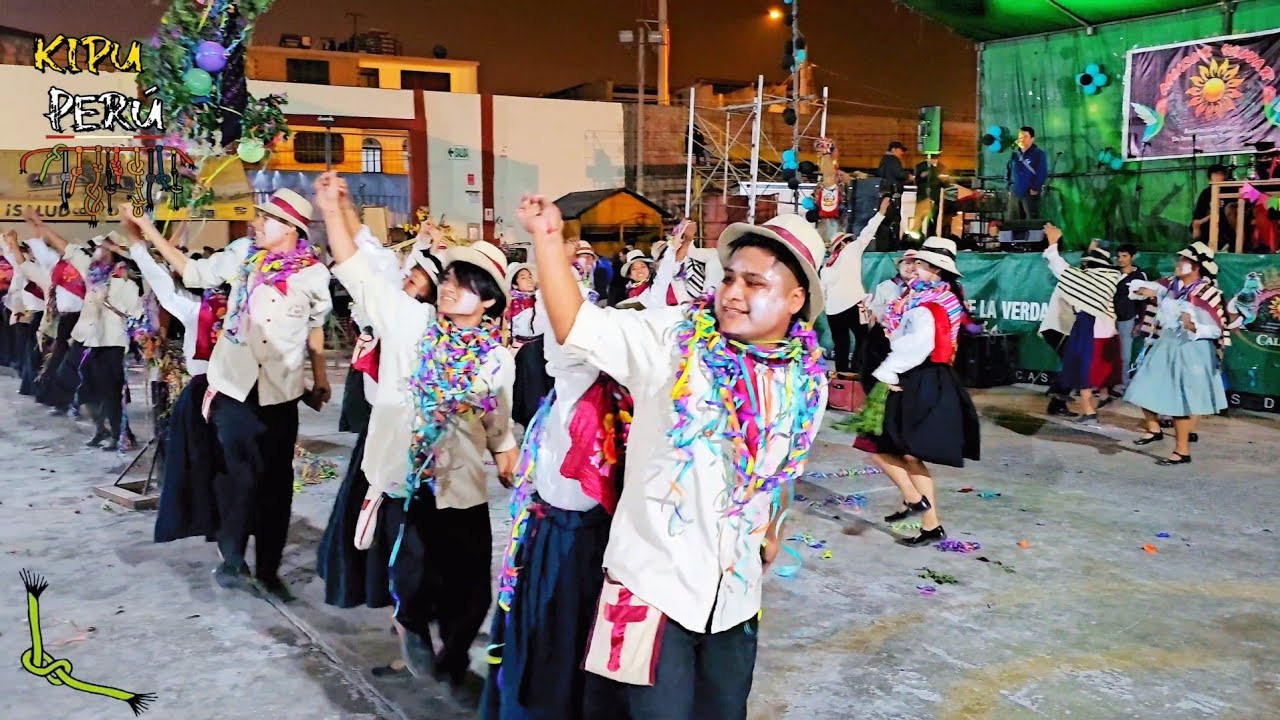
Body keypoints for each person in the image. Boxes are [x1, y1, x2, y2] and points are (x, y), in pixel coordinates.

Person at [528, 200, 829, 719]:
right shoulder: (672, 341)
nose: (733, 293)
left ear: (795, 298)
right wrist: (548, 242)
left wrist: (774, 526)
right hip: (650, 587)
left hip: (734, 599)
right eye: (729, 278)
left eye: (754, 284)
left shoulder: (808, 382)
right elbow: (576, 325)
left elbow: (784, 472)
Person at [319, 173, 518, 689]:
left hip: (461, 489)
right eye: (449, 277)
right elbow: (357, 271)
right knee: (410, 584)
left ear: (490, 300)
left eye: (466, 282)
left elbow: (496, 417)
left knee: (470, 592)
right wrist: (333, 210)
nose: (450, 286)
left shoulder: (497, 360)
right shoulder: (412, 325)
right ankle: (419, 655)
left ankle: (452, 662)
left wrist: (505, 452)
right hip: (405, 486)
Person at [127, 188, 333, 598]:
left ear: (291, 228)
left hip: (281, 394)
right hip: (234, 389)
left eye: (266, 219)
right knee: (238, 479)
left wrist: (320, 377)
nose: (256, 224)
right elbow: (191, 272)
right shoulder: (242, 255)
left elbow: (314, 328)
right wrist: (148, 229)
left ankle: (270, 571)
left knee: (276, 485)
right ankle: (233, 560)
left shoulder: (314, 275)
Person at [483, 202, 625, 720]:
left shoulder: (654, 399)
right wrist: (548, 247)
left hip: (616, 548)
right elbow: (566, 331)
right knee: (549, 653)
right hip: (561, 535)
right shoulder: (576, 379)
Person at [315, 184, 441, 623]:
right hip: (387, 435)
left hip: (430, 452)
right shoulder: (397, 308)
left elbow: (362, 257)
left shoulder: (421, 319)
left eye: (417, 276)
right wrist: (338, 208)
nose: (406, 277)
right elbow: (357, 259)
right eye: (409, 272)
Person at [857, 237, 980, 546]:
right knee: (908, 455)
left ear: (936, 271)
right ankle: (929, 523)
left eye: (921, 265)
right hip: (928, 377)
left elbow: (914, 346)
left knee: (877, 444)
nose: (913, 269)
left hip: (917, 377)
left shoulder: (929, 304)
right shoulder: (931, 297)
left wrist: (886, 371)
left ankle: (914, 500)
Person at [1124, 242, 1228, 465]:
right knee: (1143, 385)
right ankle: (1155, 429)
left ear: (1197, 266)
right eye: (1180, 259)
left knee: (1181, 400)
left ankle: (1182, 450)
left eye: (1185, 261)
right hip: (1167, 344)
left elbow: (1217, 329)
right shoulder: (1171, 285)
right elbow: (1145, 290)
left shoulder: (1208, 293)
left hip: (1192, 349)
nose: (1179, 264)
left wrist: (1193, 327)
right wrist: (1145, 291)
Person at [1040, 225, 1123, 424]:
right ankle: (1085, 409)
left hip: (1092, 330)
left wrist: (1053, 244)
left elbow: (1062, 270)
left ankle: (1084, 409)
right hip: (1090, 330)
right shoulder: (1110, 278)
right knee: (1084, 371)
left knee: (1084, 371)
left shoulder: (1094, 280)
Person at [73, 238, 144, 450]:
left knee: (112, 394)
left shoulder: (127, 284)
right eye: (97, 247)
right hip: (91, 340)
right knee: (85, 391)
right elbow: (68, 251)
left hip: (113, 343)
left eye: (103, 247)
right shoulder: (93, 278)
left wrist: (109, 302)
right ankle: (101, 429)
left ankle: (120, 435)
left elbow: (135, 314)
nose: (97, 251)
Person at [21, 209, 89, 416]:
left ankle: (78, 400)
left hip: (84, 321)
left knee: (77, 363)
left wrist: (40, 222)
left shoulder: (87, 269)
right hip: (66, 320)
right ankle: (60, 401)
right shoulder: (56, 266)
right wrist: (36, 224)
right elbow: (39, 245)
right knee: (59, 360)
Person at [821, 196, 890, 375]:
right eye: (849, 240)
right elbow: (867, 234)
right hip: (853, 303)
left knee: (841, 343)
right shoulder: (851, 250)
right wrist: (881, 214)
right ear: (843, 244)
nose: (852, 242)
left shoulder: (827, 265)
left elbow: (823, 290)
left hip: (832, 310)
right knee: (862, 337)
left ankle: (842, 374)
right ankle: (859, 371)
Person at [860, 250, 917, 392]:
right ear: (899, 265)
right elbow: (875, 316)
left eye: (916, 263)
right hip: (886, 338)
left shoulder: (924, 290)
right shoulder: (885, 287)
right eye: (907, 262)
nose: (911, 267)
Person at [1113, 244, 1149, 392]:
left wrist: (1140, 322)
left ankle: (1123, 384)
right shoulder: (1112, 273)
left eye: (1124, 256)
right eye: (1119, 256)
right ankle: (1104, 384)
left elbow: (1144, 302)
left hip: (1127, 319)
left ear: (1133, 257)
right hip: (1107, 318)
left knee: (1125, 354)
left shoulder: (1140, 276)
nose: (1120, 259)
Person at [1006, 126, 1048, 220]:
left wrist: (1035, 187)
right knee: (1013, 221)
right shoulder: (1015, 155)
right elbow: (1009, 170)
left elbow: (1042, 171)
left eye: (1025, 136)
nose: (1022, 139)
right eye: (1020, 137)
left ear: (1032, 139)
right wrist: (1009, 186)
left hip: (1030, 192)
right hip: (1015, 191)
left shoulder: (1038, 154)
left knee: (1031, 220)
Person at [876, 141, 912, 247]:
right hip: (893, 194)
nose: (902, 153)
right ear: (894, 149)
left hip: (884, 194)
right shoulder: (893, 160)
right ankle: (893, 244)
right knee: (893, 219)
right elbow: (898, 174)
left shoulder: (884, 160)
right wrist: (908, 176)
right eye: (901, 150)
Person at [908, 154, 948, 240]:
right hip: (923, 196)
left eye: (936, 158)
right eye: (933, 158)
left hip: (934, 197)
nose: (935, 160)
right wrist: (921, 176)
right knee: (919, 217)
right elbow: (916, 181)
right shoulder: (920, 166)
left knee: (933, 218)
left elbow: (946, 184)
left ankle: (931, 237)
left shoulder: (941, 167)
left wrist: (943, 180)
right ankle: (917, 237)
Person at [1191, 165, 1233, 246]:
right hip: (1209, 223)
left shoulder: (1231, 190)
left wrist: (1205, 219)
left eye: (1220, 174)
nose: (1217, 177)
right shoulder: (1206, 193)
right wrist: (1196, 225)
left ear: (1225, 176)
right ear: (1210, 177)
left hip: (1226, 223)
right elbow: (1198, 212)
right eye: (1215, 174)